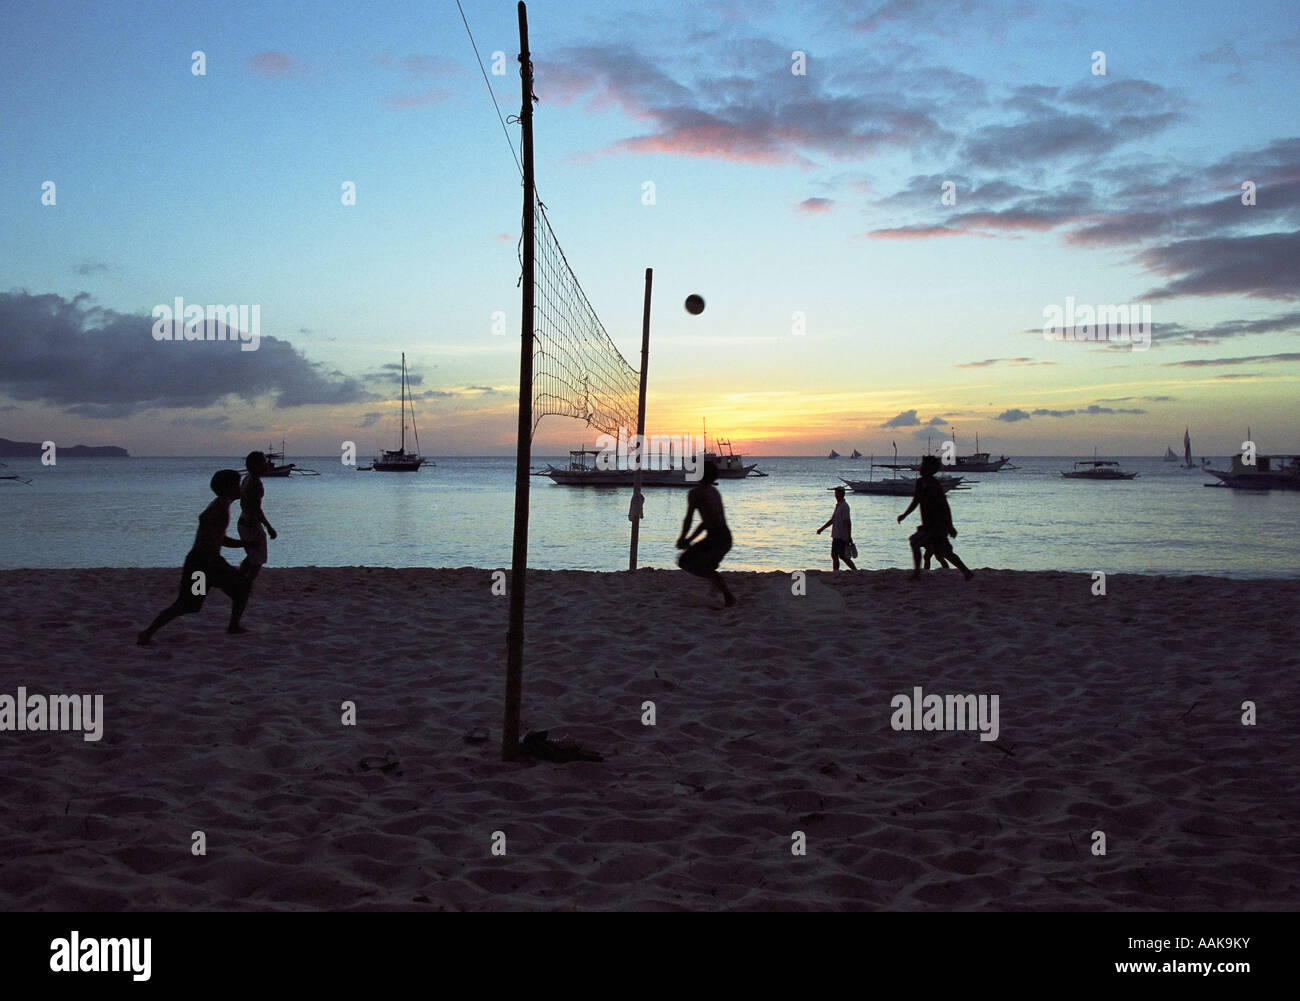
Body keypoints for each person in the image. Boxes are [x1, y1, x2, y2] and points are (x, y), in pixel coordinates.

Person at [137, 470, 251, 644]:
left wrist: (243, 544)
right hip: (203, 563)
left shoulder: (223, 504)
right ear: (229, 487)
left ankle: (233, 626)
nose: (241, 488)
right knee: (189, 604)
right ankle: (147, 633)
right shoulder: (220, 504)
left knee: (240, 588)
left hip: (210, 563)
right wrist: (213, 541)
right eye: (238, 484)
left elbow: (220, 537)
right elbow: (204, 519)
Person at [897, 456, 974, 580]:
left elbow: (944, 506)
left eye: (923, 466)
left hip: (936, 525)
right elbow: (916, 501)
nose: (921, 468)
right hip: (929, 525)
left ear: (930, 469)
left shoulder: (934, 484)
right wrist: (905, 515)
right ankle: (966, 572)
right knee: (942, 552)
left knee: (924, 545)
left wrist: (950, 526)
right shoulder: (921, 482)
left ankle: (917, 573)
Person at [676, 461, 736, 607]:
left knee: (685, 562)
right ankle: (719, 590)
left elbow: (689, 518)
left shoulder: (696, 493)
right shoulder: (714, 492)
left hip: (717, 538)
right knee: (705, 565)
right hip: (724, 537)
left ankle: (727, 596)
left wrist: (684, 538)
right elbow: (706, 522)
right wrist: (689, 539)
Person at [237, 451, 277, 583]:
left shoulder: (247, 478)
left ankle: (239, 580)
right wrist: (269, 527)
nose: (266, 465)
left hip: (243, 521)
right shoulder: (255, 483)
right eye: (263, 463)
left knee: (252, 556)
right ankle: (245, 584)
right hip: (251, 523)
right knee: (258, 559)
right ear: (256, 465)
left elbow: (245, 503)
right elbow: (256, 509)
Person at [816, 486, 857, 570]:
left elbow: (847, 522)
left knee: (841, 556)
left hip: (842, 535)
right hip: (836, 534)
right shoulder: (838, 506)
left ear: (842, 494)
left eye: (837, 493)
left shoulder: (845, 506)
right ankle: (836, 572)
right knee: (836, 555)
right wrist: (822, 529)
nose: (836, 495)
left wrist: (849, 536)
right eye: (835, 493)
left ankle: (854, 570)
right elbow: (832, 520)